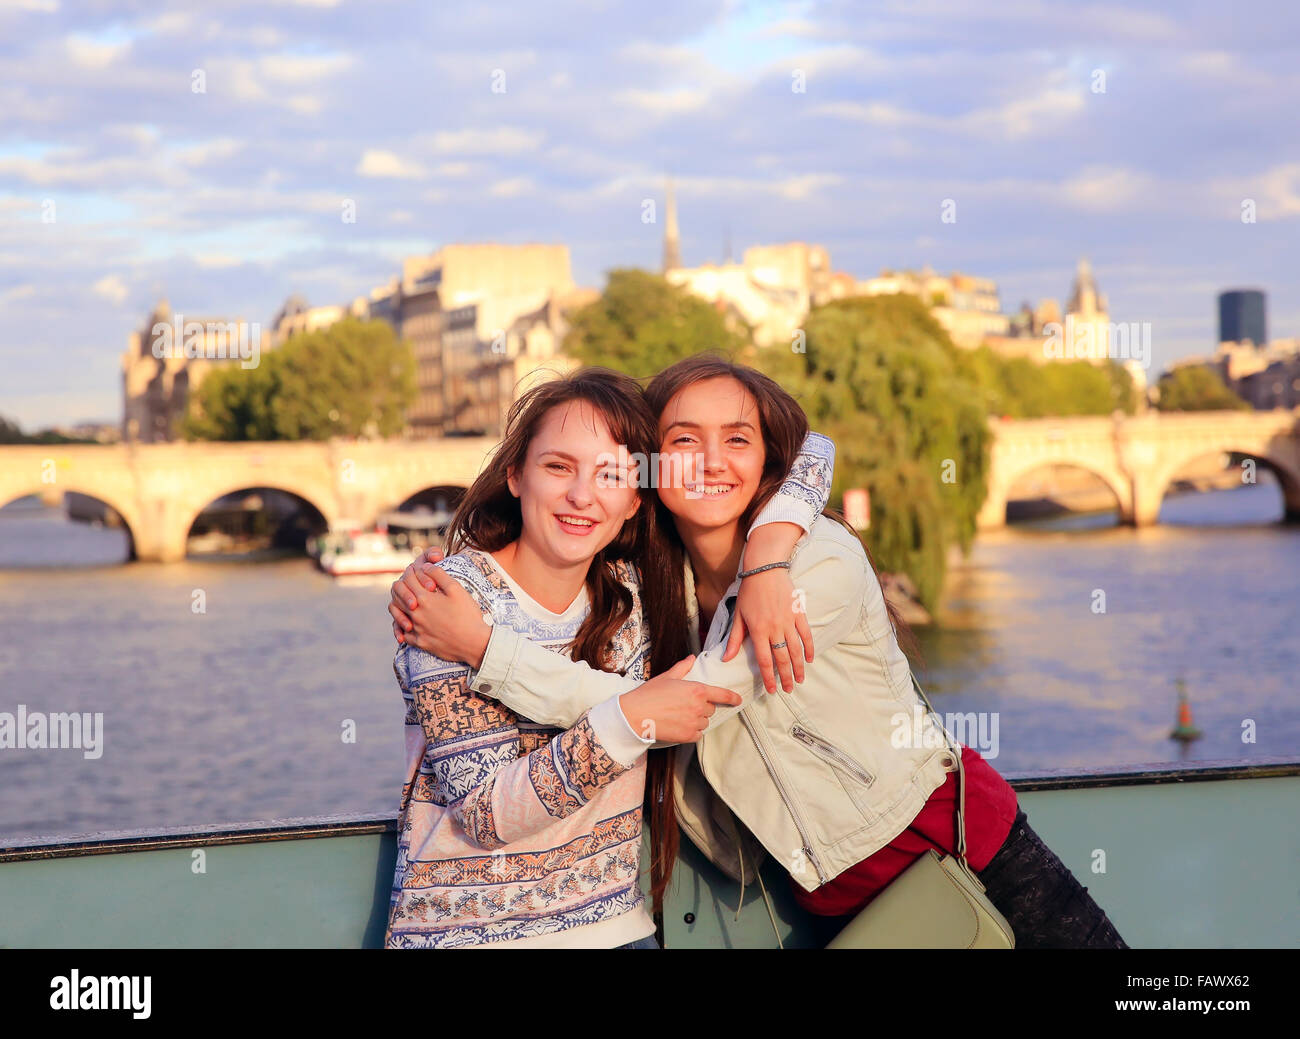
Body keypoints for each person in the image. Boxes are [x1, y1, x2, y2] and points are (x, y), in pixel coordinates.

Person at [390, 354, 1128, 949]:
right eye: (683, 441)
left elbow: (677, 709)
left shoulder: (822, 564)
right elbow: (641, 706)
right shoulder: (654, 585)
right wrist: (464, 578)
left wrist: (487, 647)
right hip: (831, 890)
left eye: (737, 439)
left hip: (956, 842)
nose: (712, 460)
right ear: (649, 475)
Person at [385, 365, 833, 948]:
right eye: (558, 467)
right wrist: (635, 719)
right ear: (516, 475)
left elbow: (815, 450)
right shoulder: (448, 603)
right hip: (474, 936)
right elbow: (486, 814)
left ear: (635, 499)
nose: (581, 495)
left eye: (612, 474)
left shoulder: (639, 591)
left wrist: (769, 554)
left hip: (617, 926)